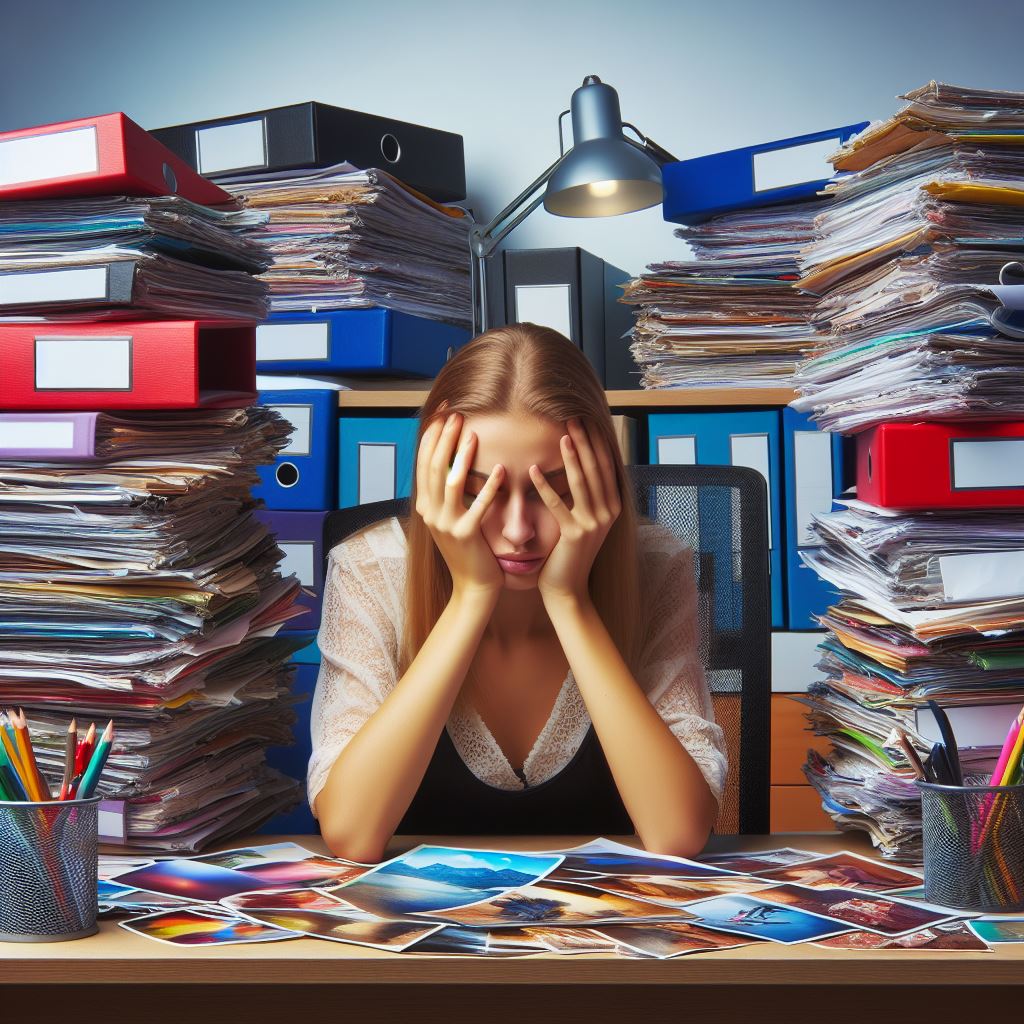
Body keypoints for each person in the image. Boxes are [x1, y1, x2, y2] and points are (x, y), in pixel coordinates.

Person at [308, 323, 728, 863]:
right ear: (437, 485)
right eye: (480, 492)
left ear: (599, 480)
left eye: (551, 489)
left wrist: (571, 603)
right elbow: (350, 833)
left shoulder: (656, 568)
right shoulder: (371, 568)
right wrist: (470, 595)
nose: (518, 531)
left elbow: (678, 836)